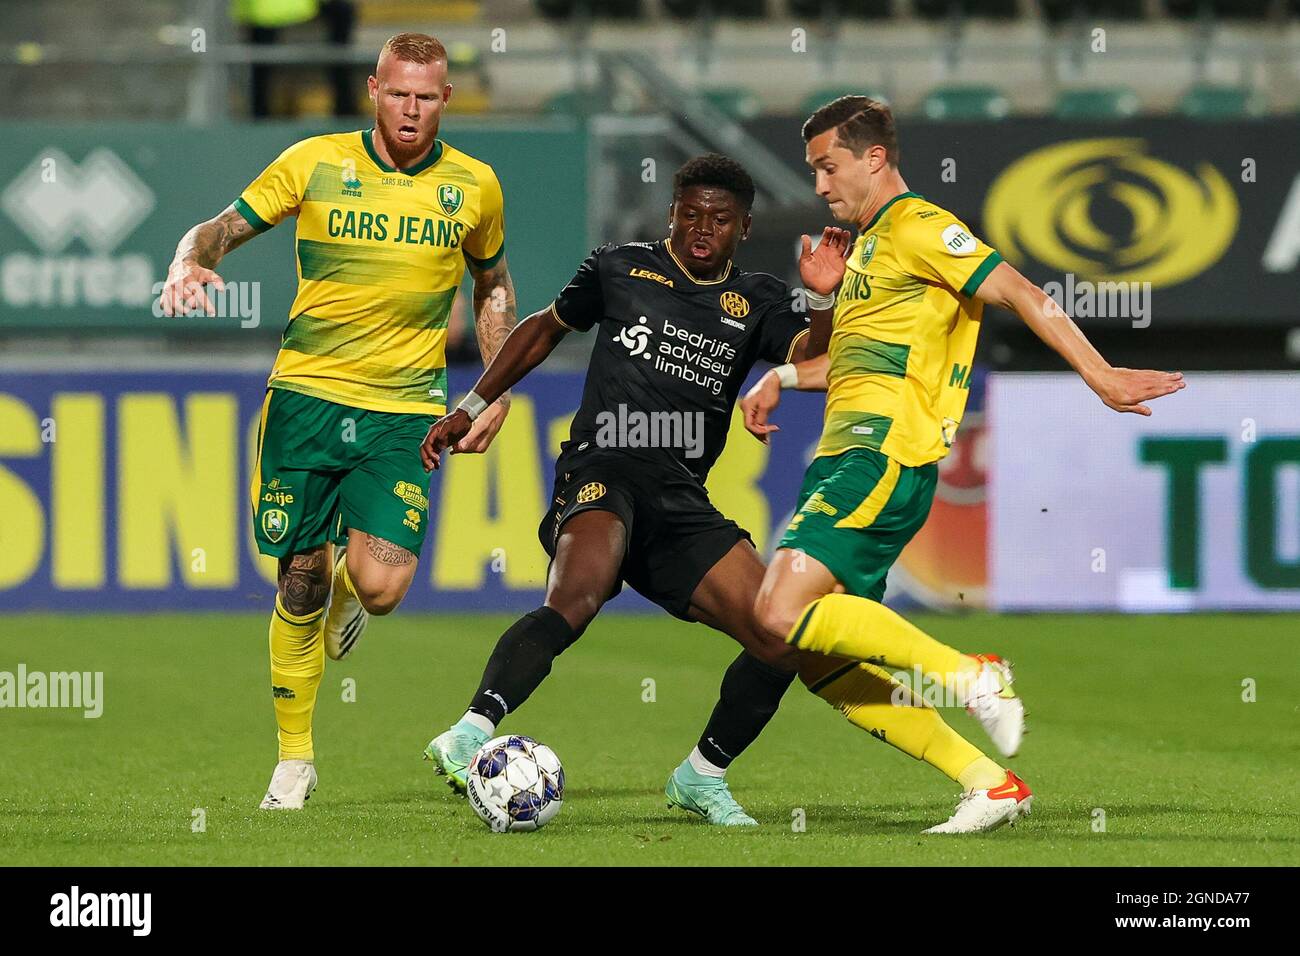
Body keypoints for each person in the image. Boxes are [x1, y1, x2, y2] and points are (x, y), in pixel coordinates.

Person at [740, 96, 1185, 833]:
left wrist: (1099, 373)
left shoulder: (921, 228)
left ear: (873, 158)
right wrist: (784, 371)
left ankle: (971, 675)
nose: (819, 186)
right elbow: (854, 361)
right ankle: (988, 783)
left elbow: (1025, 294)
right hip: (846, 456)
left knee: (775, 611)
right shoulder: (870, 247)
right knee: (809, 654)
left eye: (828, 167)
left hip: (878, 456)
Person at [420, 154, 854, 826]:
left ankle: (701, 776)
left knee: (782, 636)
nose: (701, 228)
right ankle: (471, 730)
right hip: (604, 466)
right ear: (672, 213)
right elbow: (542, 329)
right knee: (578, 595)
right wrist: (472, 405)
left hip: (680, 497)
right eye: (690, 214)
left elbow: (816, 362)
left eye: (719, 218)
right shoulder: (619, 266)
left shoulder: (760, 298)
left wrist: (823, 298)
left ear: (743, 227)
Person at [157, 32, 517, 810]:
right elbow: (221, 226)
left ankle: (352, 601)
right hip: (307, 399)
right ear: (373, 90)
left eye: (426, 96)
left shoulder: (475, 185)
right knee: (301, 578)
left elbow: (492, 284)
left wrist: (496, 385)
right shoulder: (314, 161)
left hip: (404, 410)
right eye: (398, 93)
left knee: (381, 585)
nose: (411, 109)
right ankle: (295, 760)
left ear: (446, 100)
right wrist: (193, 261)